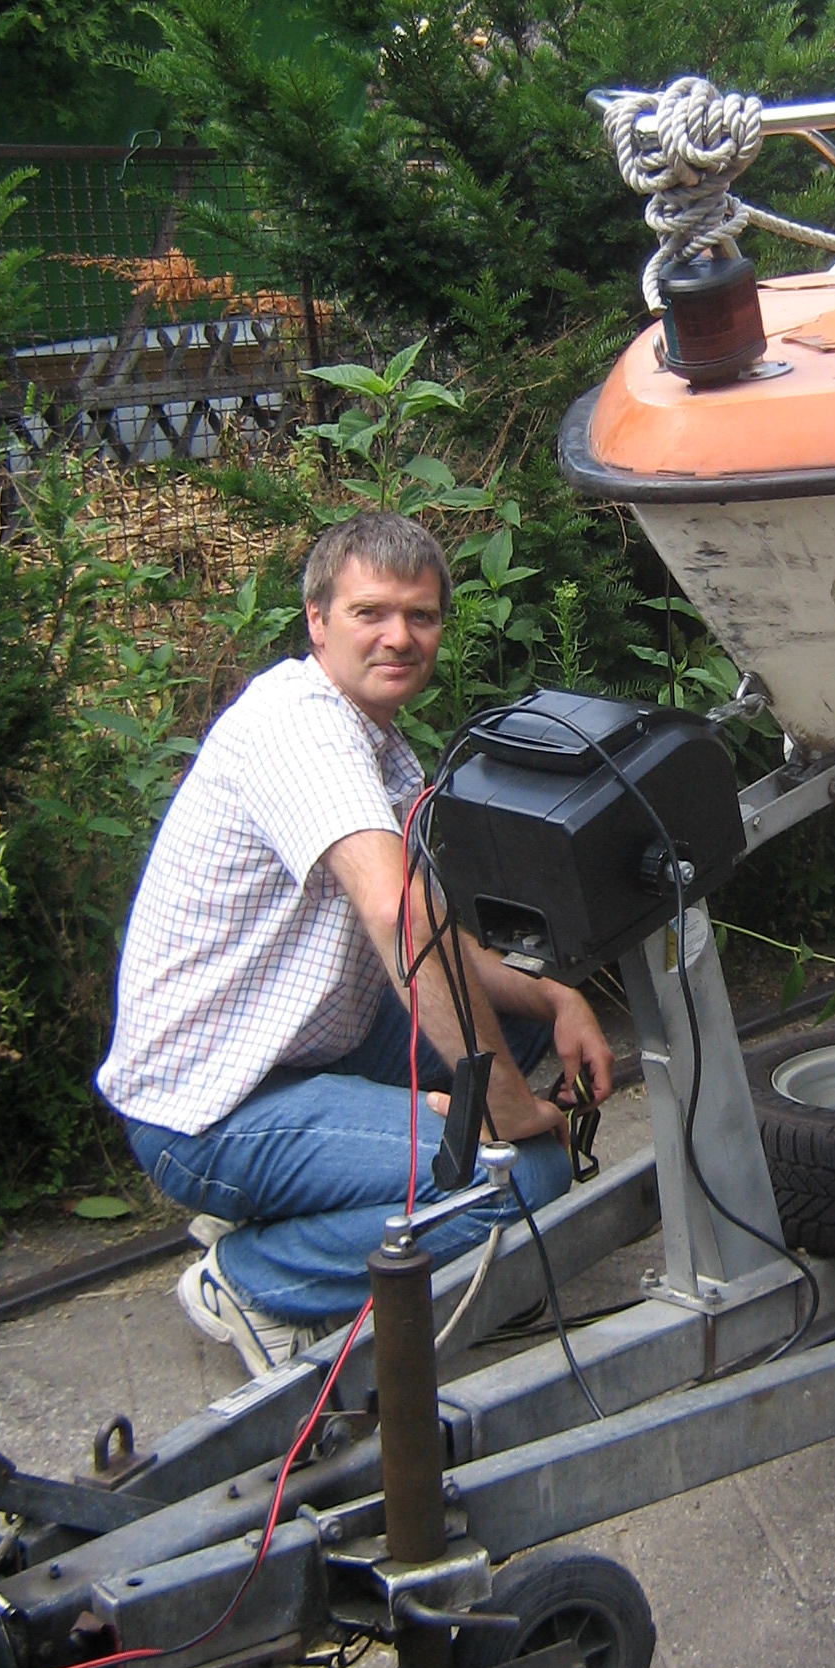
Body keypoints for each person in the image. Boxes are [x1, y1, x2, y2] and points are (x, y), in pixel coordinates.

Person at [96, 511, 615, 1376]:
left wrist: (557, 995)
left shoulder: (379, 745)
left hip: (292, 1048)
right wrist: (512, 1112)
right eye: (371, 612)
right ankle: (255, 1281)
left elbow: (441, 937)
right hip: (215, 1109)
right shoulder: (300, 730)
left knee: (513, 1030)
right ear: (317, 622)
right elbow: (401, 918)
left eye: (422, 616)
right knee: (523, 1179)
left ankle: (317, 1201)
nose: (399, 636)